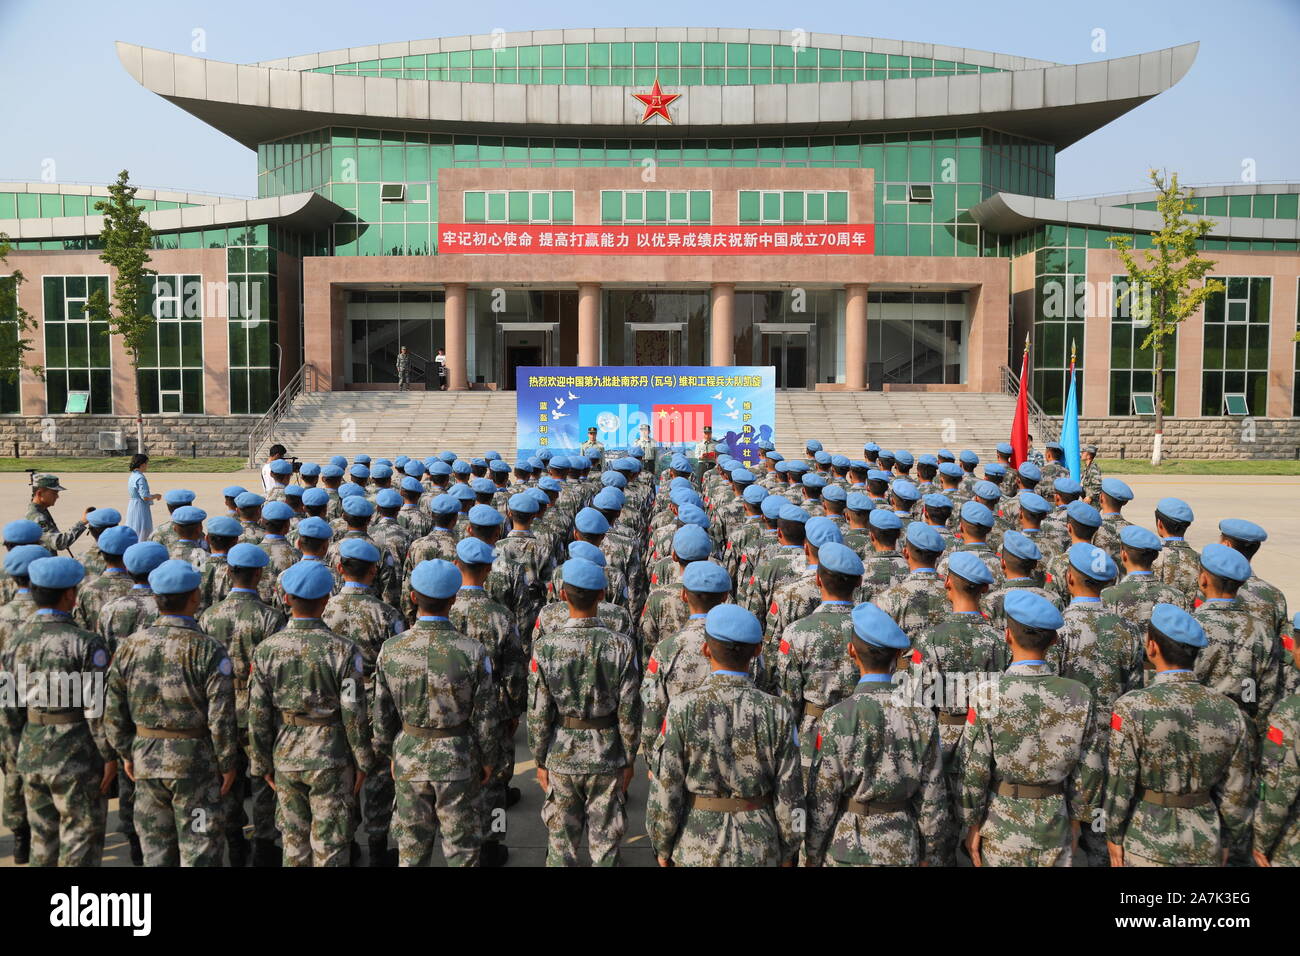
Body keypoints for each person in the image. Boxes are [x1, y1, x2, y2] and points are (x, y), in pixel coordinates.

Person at [104, 559, 239, 867]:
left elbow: (113, 709)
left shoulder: (130, 647)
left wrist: (127, 752)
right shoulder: (208, 649)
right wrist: (227, 761)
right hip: (195, 765)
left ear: (156, 598)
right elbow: (221, 715)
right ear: (194, 597)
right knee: (200, 847)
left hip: (147, 759)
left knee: (156, 852)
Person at [646, 603, 803, 867]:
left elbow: (667, 787)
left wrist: (662, 844)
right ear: (757, 651)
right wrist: (791, 848)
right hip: (760, 847)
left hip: (696, 846)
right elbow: (792, 793)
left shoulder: (682, 709)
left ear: (706, 649)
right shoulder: (778, 712)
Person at [958, 590, 1104, 867]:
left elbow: (975, 768)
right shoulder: (1079, 695)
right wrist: (1077, 822)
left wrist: (972, 823)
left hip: (1002, 825)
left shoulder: (987, 694)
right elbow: (1091, 767)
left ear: (1008, 636)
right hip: (1055, 820)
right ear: (1054, 640)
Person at [1104, 604, 1253, 867]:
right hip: (1205, 838)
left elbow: (1120, 781)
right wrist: (1227, 841)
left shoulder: (1132, 707)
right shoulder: (1228, 710)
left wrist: (1113, 834)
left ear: (1152, 647)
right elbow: (1237, 790)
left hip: (1147, 840)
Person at [373, 558, 499, 867]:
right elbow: (486, 715)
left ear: (413, 597)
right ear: (453, 599)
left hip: (409, 754)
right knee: (463, 851)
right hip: (458, 756)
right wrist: (488, 759)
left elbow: (381, 714)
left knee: (411, 851)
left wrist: (391, 753)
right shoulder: (472, 651)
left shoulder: (391, 649)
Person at [249, 560, 375, 867]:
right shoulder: (344, 650)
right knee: (331, 844)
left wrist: (261, 762)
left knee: (294, 843)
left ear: (287, 599)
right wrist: (363, 760)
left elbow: (259, 713)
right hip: (331, 754)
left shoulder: (266, 650)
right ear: (326, 599)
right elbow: (353, 711)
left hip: (286, 751)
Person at [804, 602, 947, 867]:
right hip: (902, 845)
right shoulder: (922, 717)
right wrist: (931, 854)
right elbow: (933, 798)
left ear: (851, 651)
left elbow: (822, 801)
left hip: (848, 848)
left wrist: (811, 854)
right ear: (898, 656)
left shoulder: (837, 718)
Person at [0, 556, 116, 867]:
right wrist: (108, 755)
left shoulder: (14, 643)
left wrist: (14, 755)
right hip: (77, 753)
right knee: (80, 840)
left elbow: (7, 706)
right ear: (69, 595)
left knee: (42, 842)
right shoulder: (87, 643)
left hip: (31, 748)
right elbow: (96, 706)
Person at [528, 558, 640, 866]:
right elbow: (630, 709)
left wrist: (539, 759)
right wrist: (629, 757)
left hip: (561, 753)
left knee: (561, 844)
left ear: (563, 594)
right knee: (606, 845)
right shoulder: (621, 646)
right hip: (607, 753)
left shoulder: (546, 647)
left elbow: (538, 711)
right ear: (602, 595)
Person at [27, 473, 91, 554]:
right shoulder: (37, 517)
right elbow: (59, 543)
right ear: (39, 494)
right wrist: (82, 522)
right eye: (54, 493)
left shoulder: (41, 509)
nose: (57, 497)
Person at [125, 454, 160, 539]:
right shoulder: (140, 478)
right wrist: (156, 496)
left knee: (133, 526)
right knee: (142, 529)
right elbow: (145, 497)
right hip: (140, 506)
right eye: (146, 463)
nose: (147, 466)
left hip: (132, 504)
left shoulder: (133, 475)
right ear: (142, 464)